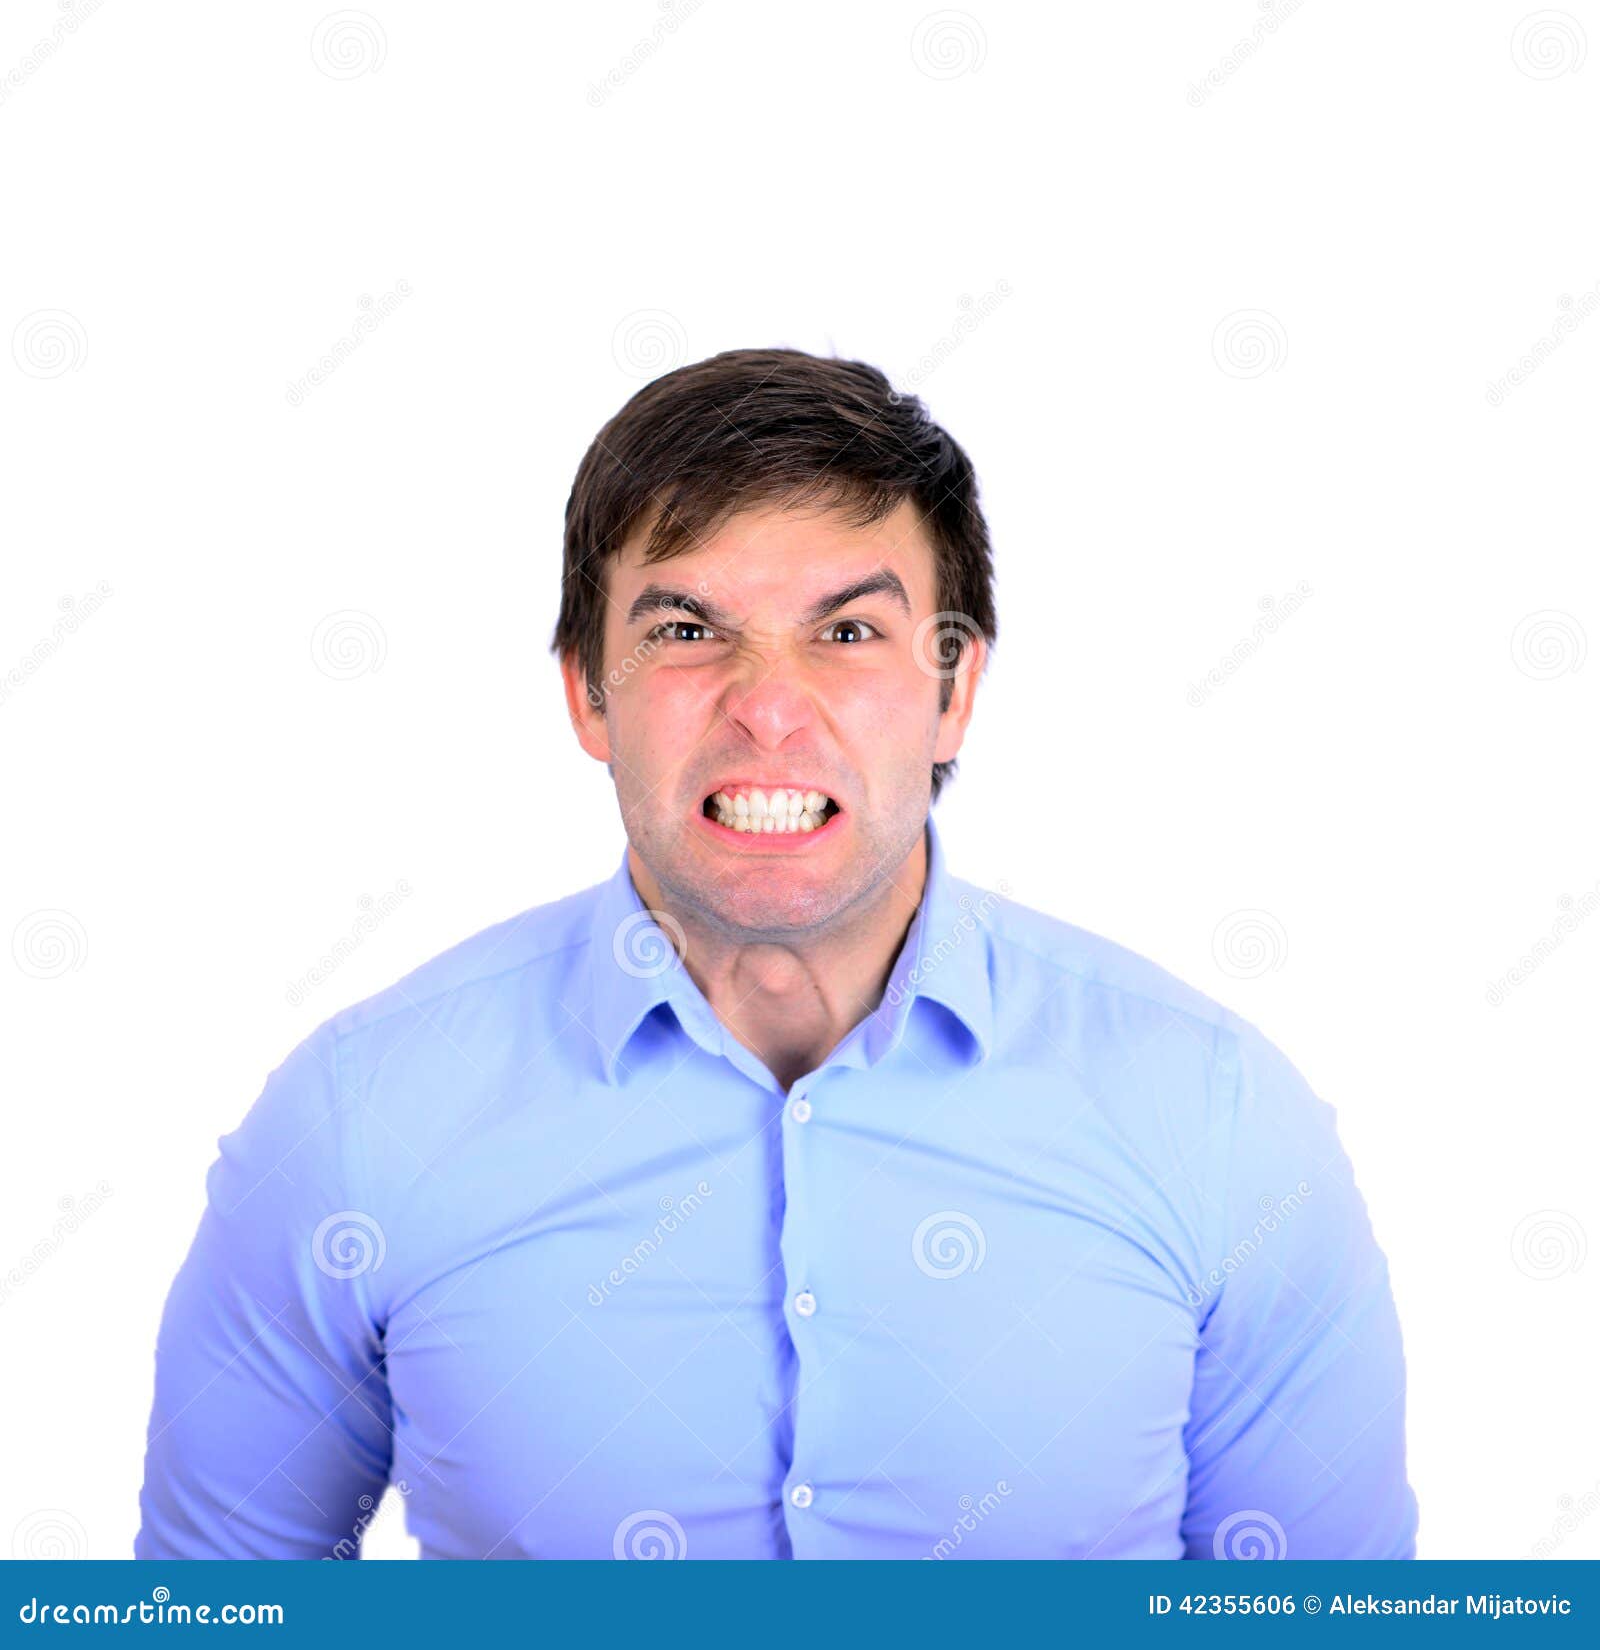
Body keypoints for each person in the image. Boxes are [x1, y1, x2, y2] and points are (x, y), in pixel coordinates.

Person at [135, 348, 1418, 1559]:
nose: (766, 704)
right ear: (588, 689)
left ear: (953, 687)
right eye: (688, 631)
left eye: (847, 632)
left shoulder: (1217, 1120)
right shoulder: (356, 1122)